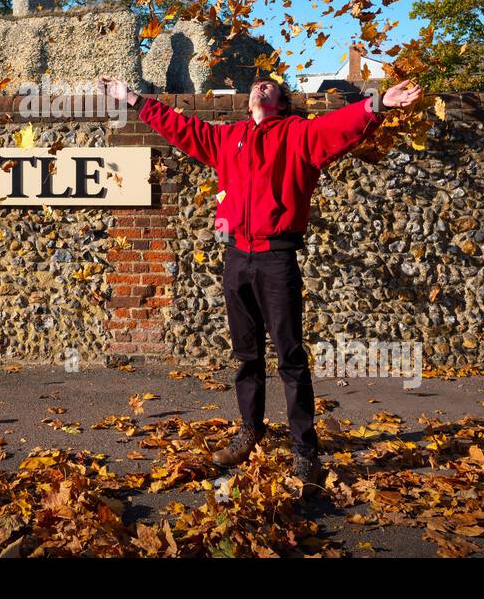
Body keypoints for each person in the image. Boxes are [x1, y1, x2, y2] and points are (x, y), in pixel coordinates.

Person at [98, 74, 422, 486]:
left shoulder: (299, 134)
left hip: (276, 258)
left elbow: (339, 125)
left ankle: (305, 449)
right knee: (246, 355)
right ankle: (251, 431)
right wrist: (131, 98)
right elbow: (182, 127)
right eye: (256, 85)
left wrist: (379, 104)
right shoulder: (228, 137)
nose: (260, 87)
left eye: (270, 86)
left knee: (290, 357)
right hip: (237, 257)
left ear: (282, 103)